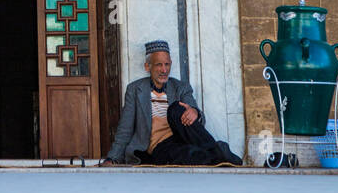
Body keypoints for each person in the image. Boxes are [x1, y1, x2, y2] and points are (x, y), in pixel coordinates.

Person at [101, 40, 243, 167]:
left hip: (183, 137)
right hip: (159, 147)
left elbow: (198, 121)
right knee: (188, 153)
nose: (164, 70)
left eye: (167, 64)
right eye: (159, 65)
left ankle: (215, 151)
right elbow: (125, 129)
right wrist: (113, 158)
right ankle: (219, 152)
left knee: (176, 108)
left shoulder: (180, 87)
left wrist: (195, 112)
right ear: (147, 66)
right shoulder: (135, 90)